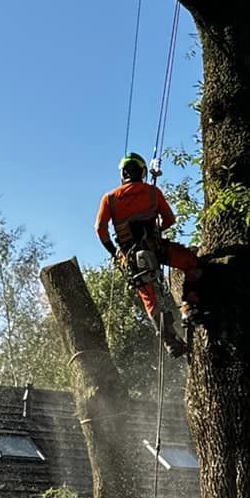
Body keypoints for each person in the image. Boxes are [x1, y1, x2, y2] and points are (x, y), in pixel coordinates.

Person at [96, 153, 201, 357]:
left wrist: (116, 254)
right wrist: (155, 231)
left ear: (123, 173)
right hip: (156, 247)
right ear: (141, 172)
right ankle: (189, 307)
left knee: (149, 299)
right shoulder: (152, 192)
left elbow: (100, 230)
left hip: (131, 257)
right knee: (191, 263)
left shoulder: (109, 198)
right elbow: (169, 219)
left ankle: (170, 341)